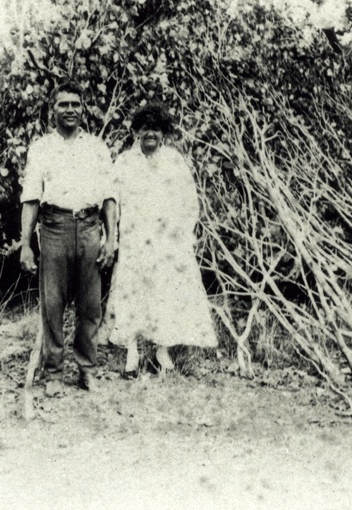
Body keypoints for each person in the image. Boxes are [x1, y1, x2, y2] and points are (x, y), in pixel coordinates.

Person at [105, 102, 217, 377]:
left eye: (156, 128)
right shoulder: (124, 162)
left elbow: (189, 203)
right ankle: (132, 354)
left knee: (164, 295)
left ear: (163, 132)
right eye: (145, 128)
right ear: (137, 131)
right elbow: (112, 201)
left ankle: (160, 352)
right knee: (131, 294)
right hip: (134, 242)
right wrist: (114, 238)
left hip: (166, 244)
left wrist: (181, 235)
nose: (150, 134)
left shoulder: (174, 162)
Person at [19, 80, 117, 392]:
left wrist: (112, 239)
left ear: (83, 108)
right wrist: (25, 244)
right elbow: (31, 198)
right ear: (53, 110)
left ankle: (87, 370)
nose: (70, 110)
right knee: (53, 304)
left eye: (75, 104)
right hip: (54, 228)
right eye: (63, 104)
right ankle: (54, 375)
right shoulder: (41, 148)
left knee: (90, 306)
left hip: (89, 227)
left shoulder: (97, 148)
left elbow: (110, 198)